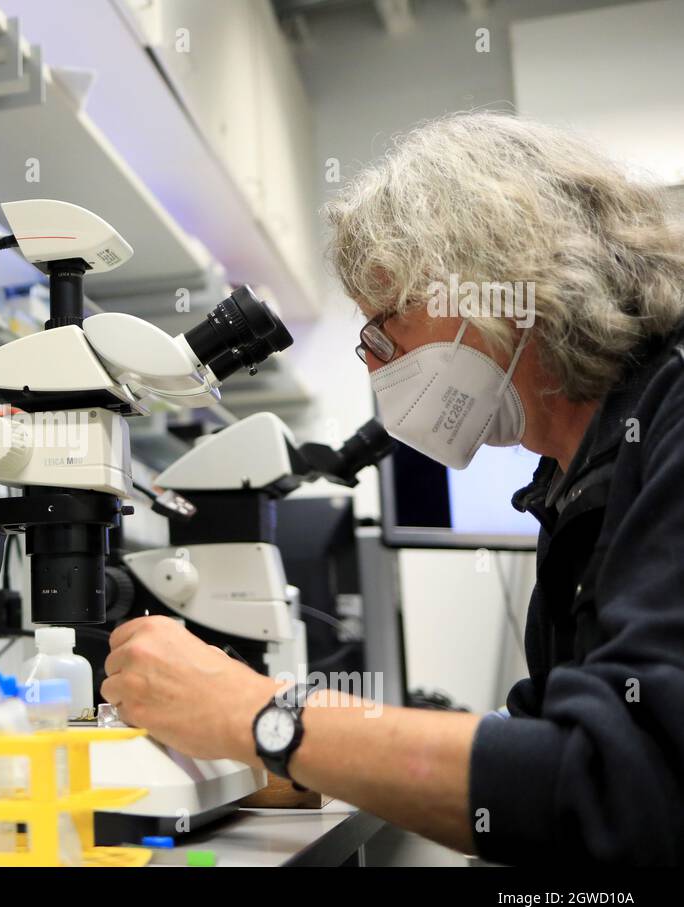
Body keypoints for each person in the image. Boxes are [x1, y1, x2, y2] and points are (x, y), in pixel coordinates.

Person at [101, 112, 684, 864]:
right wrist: (282, 753)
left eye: (384, 328)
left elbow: (624, 787)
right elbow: (540, 752)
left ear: (495, 274)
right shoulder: (574, 484)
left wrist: (261, 716)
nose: (377, 368)